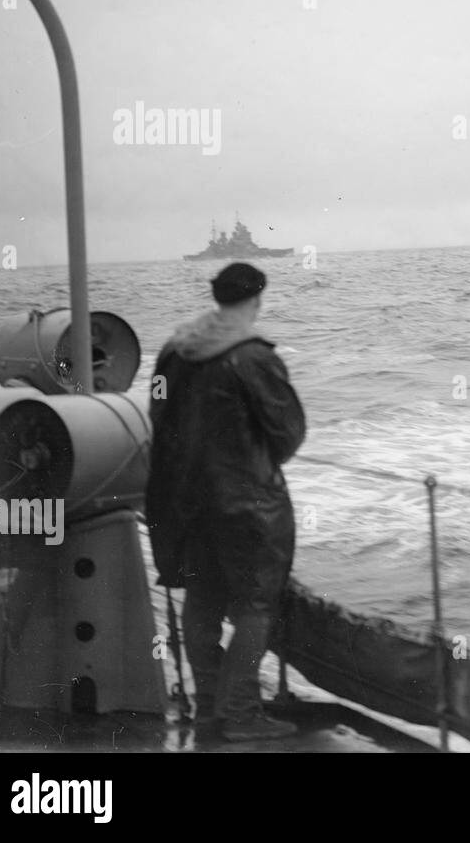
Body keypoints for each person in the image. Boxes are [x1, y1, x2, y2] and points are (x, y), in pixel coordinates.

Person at [146, 262, 306, 741]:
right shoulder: (253, 357)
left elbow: (159, 415)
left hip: (185, 504)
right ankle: (241, 714)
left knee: (202, 600)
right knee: (257, 605)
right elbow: (289, 432)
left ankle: (211, 705)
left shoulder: (175, 351)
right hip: (246, 506)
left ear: (217, 298)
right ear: (256, 300)